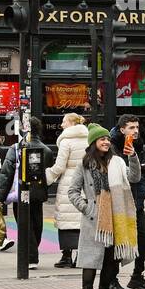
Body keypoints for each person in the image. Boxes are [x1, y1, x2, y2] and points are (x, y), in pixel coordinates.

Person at [67, 123, 140, 289]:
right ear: (93, 142)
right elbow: (73, 191)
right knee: (90, 258)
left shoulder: (117, 162)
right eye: (102, 139)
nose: (106, 142)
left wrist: (132, 156)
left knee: (110, 259)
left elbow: (134, 177)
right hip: (94, 218)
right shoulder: (84, 165)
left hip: (116, 215)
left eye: (107, 139)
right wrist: (87, 208)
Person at [0, 119, 55, 267]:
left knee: (24, 225)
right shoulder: (46, 150)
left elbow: (6, 174)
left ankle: (31, 257)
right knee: (37, 224)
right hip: (38, 194)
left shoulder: (16, 148)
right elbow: (49, 175)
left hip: (20, 193)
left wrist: (0, 197)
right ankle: (33, 253)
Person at [110, 115, 145, 289]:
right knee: (118, 243)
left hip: (137, 201)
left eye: (137, 127)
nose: (135, 131)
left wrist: (140, 164)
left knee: (144, 239)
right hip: (119, 202)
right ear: (122, 129)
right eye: (131, 128)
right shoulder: (112, 146)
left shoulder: (138, 144)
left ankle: (137, 276)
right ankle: (112, 279)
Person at [47, 114, 89, 267]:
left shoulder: (66, 141)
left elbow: (59, 166)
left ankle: (66, 256)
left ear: (71, 123)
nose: (62, 125)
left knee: (66, 220)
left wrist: (47, 177)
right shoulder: (88, 138)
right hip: (85, 182)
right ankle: (81, 256)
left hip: (69, 183)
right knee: (81, 220)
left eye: (64, 121)